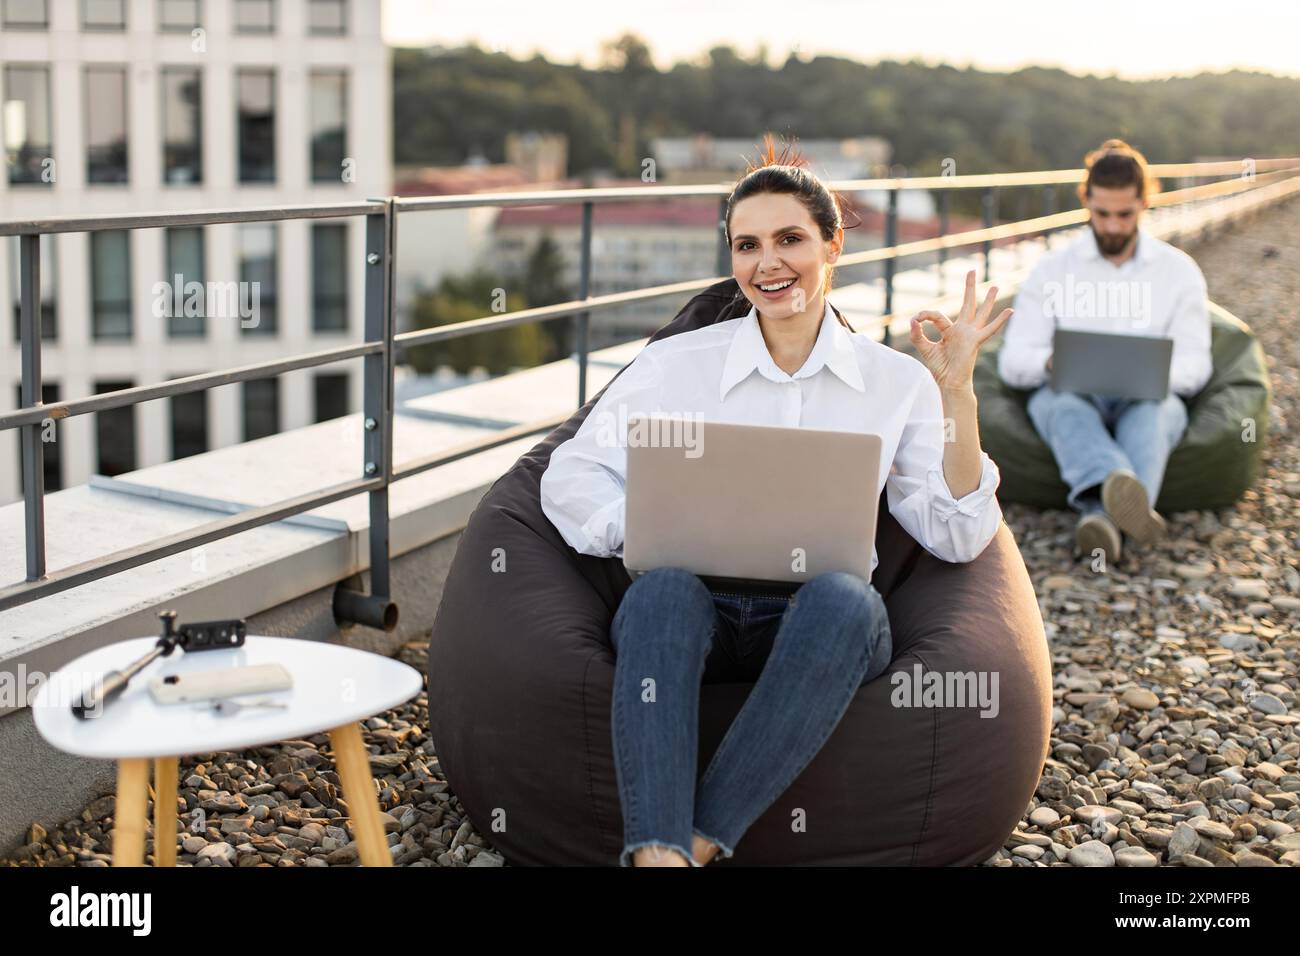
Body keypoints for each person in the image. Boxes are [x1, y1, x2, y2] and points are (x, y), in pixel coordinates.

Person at [539, 136, 1010, 867]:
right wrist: (645, 530)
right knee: (661, 592)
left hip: (822, 626)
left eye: (790, 239)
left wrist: (956, 390)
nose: (768, 264)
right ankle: (659, 855)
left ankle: (692, 843)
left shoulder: (896, 381)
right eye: (746, 245)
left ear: (832, 244)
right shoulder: (674, 365)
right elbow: (569, 476)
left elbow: (957, 533)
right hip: (700, 608)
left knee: (847, 602)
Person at [998, 139, 1212, 563]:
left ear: (1145, 203)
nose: (1112, 226)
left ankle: (1100, 517)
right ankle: (1124, 504)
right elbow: (1010, 362)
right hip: (1071, 395)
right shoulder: (1051, 270)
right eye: (1102, 214)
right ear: (1086, 202)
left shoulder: (1179, 272)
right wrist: (1051, 362)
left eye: (1124, 214)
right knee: (1062, 407)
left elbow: (1197, 365)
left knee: (1155, 413)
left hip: (1149, 397)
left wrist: (1145, 373)